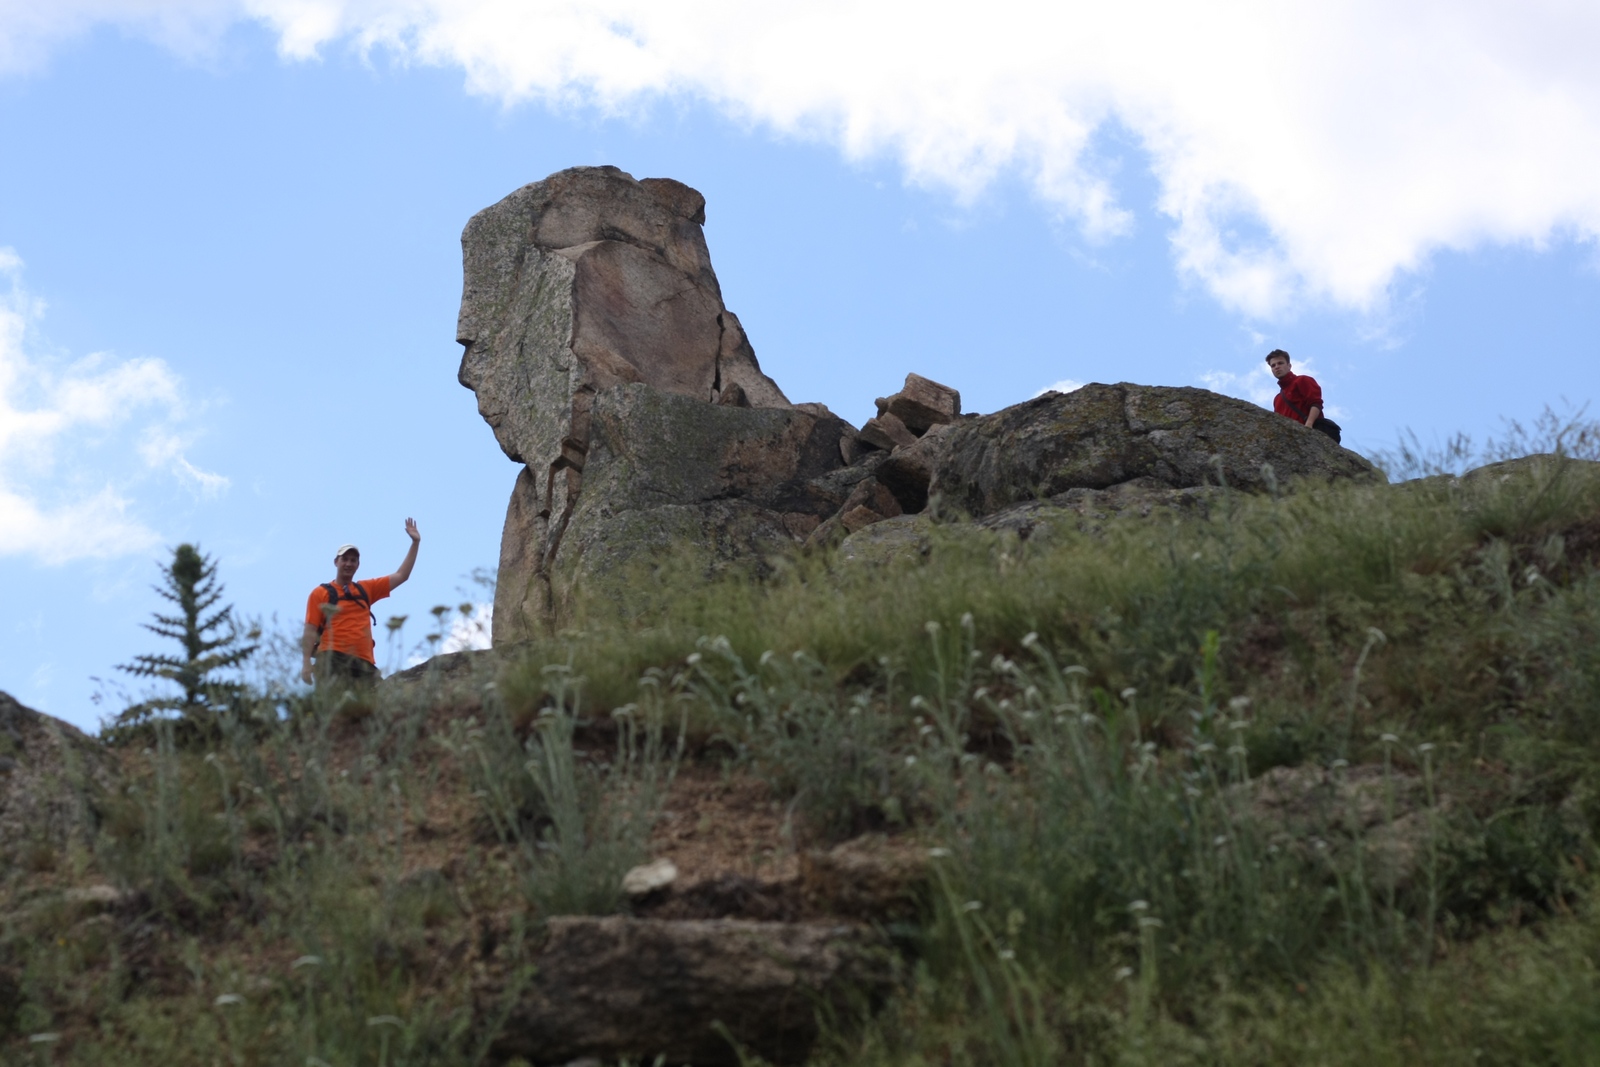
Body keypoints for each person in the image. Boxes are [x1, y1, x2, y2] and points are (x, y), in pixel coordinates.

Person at [300, 519, 421, 685]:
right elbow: (310, 630)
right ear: (336, 562)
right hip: (332, 658)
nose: (349, 563)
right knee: (334, 709)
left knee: (374, 708)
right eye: (345, 559)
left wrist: (415, 543)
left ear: (358, 565)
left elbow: (401, 575)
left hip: (364, 664)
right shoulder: (320, 593)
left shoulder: (366, 589)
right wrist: (306, 663)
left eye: (353, 560)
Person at [1265, 349, 1341, 444]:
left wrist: (1308, 426)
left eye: (1280, 363)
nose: (1277, 367)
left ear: (1289, 366)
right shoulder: (1277, 399)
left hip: (1310, 435)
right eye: (1273, 365)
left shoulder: (1302, 380)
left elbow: (1316, 403)